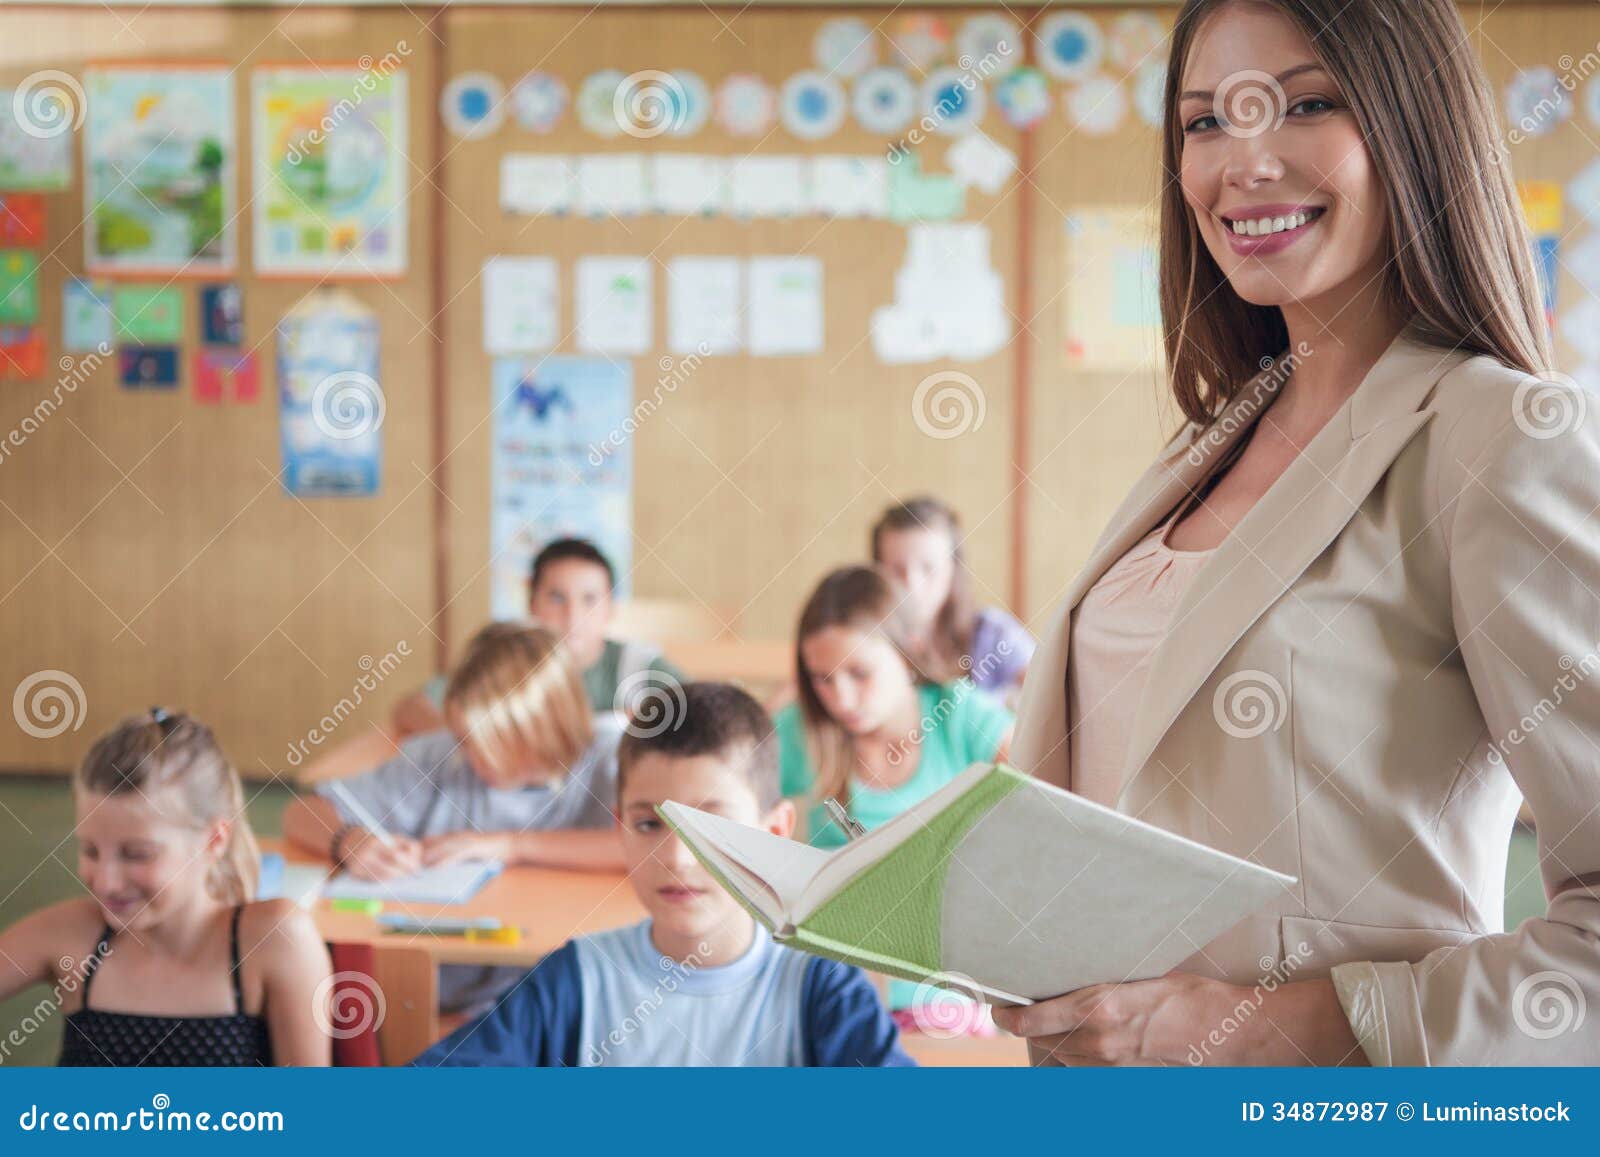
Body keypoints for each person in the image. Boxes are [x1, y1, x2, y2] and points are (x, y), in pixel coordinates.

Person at [999, 0, 1600, 1067]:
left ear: (1413, 128)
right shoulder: (1209, 440)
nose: (1245, 162)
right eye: (1204, 123)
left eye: (1306, 105)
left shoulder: (1496, 438)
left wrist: (1269, 1028)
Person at [413, 682, 913, 1067]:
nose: (676, 859)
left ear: (776, 830)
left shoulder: (823, 991)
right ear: (620, 828)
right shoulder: (573, 982)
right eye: (649, 824)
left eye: (710, 827)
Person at [282, 622, 625, 1011]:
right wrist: (349, 841)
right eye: (466, 740)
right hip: (422, 988)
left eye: (493, 744)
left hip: (541, 994)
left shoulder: (607, 762)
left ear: (545, 728)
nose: (474, 758)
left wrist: (509, 845)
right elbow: (301, 812)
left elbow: (643, 847)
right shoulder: (440, 756)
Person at [0, 710, 331, 1066]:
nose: (106, 882)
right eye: (91, 850)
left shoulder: (273, 940)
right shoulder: (70, 934)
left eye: (137, 854)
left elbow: (309, 1115)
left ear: (214, 840)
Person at [871, 497, 1035, 701]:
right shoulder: (867, 640)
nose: (912, 584)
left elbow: (1048, 692)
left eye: (928, 568)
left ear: (954, 569)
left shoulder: (993, 633)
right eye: (896, 570)